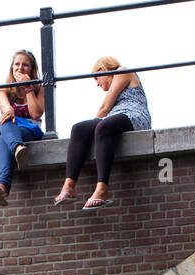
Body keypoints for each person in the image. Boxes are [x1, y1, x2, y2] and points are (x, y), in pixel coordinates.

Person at [54, 55, 152, 209]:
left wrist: (95, 126)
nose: (97, 84)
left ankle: (102, 189)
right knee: (79, 129)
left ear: (103, 69)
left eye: (96, 78)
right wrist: (89, 130)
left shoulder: (123, 71)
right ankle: (69, 186)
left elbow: (105, 107)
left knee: (102, 127)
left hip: (134, 115)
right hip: (115, 116)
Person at [0, 50, 45, 206]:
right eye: (17, 64)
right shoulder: (5, 88)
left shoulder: (38, 88)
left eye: (25, 65)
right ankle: (17, 148)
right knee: (7, 120)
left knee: (6, 137)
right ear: (12, 67)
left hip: (26, 130)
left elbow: (36, 114)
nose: (20, 68)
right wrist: (9, 109)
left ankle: (3, 186)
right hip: (3, 127)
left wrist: (28, 88)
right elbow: (3, 104)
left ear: (32, 69)